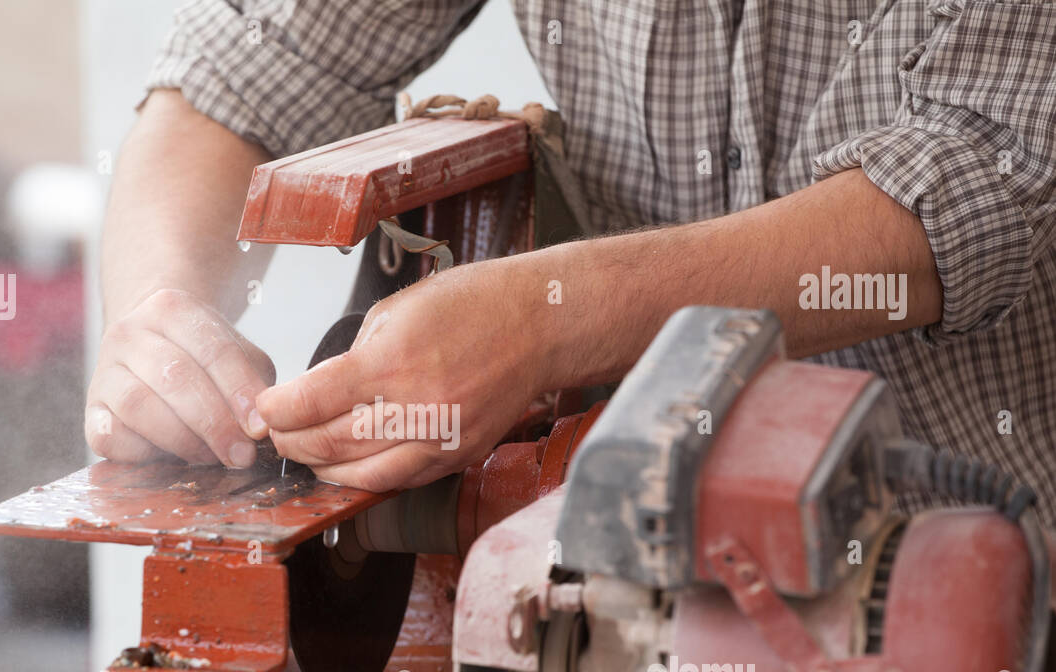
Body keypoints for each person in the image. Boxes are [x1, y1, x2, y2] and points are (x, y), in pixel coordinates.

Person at [86, 1, 1055, 522]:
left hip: (980, 553)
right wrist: (161, 315)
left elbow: (965, 193)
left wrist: (544, 319)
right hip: (611, 581)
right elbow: (239, 80)